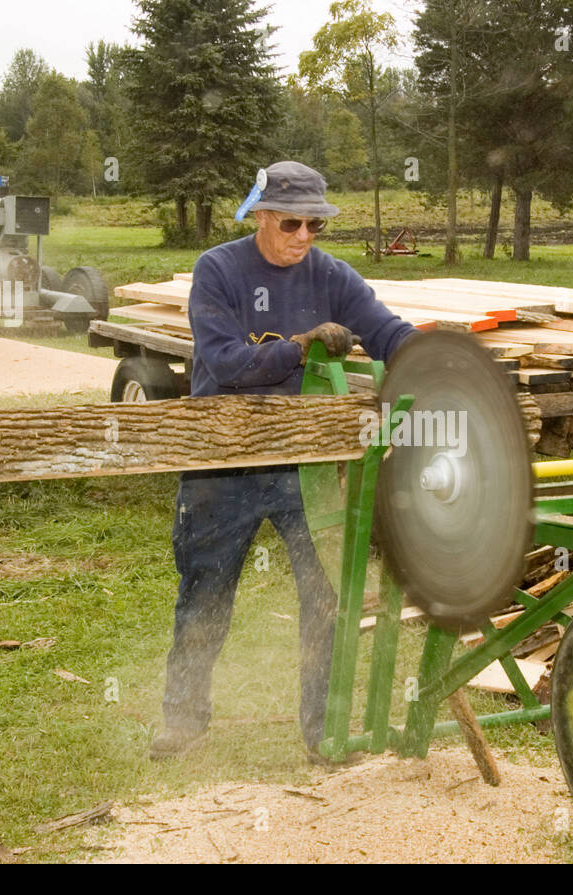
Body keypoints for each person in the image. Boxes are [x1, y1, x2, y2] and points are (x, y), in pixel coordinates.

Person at [151, 160, 417, 760]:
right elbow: (224, 364)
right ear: (262, 215)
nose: (303, 237)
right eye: (292, 223)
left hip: (309, 465)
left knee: (324, 597)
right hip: (224, 460)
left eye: (314, 226)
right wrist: (298, 346)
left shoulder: (332, 276)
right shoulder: (218, 269)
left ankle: (324, 730)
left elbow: (385, 330)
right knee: (206, 591)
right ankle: (184, 718)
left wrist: (433, 350)